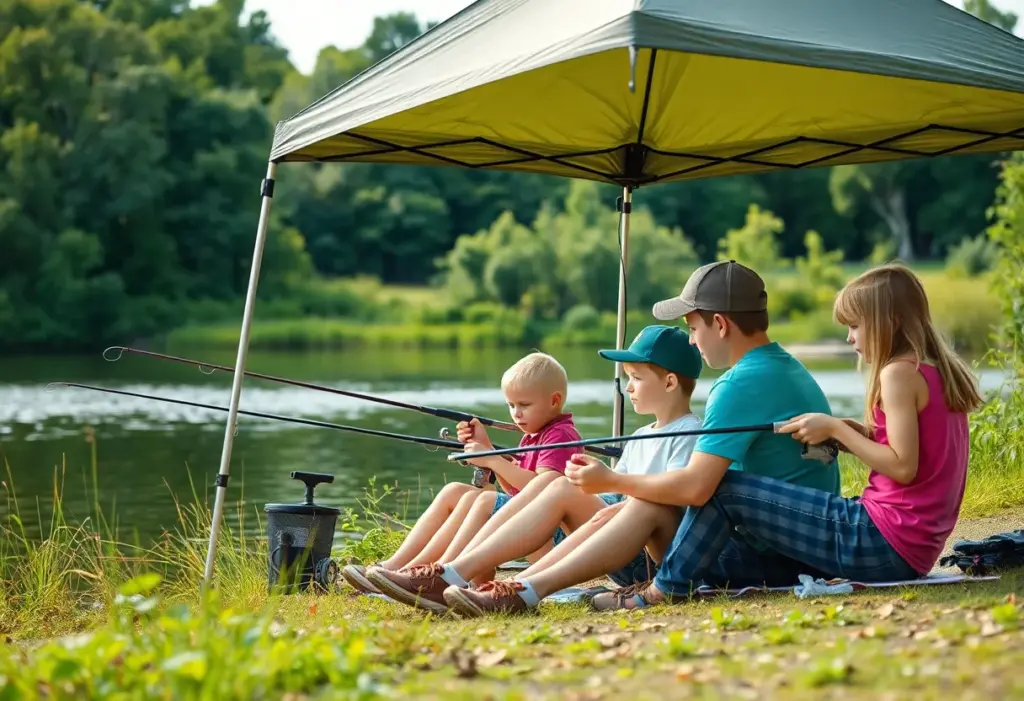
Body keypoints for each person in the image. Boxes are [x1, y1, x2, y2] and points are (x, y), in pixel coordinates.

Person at [441, 259, 843, 617]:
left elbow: (696, 488)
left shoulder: (738, 384)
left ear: (719, 324)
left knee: (636, 502)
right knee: (610, 505)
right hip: (782, 547)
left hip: (760, 557)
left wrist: (612, 482)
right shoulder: (788, 368)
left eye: (693, 327)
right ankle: (505, 583)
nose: (691, 340)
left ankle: (499, 584)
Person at [364, 324, 704, 613]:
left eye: (636, 378)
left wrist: (608, 482)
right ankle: (463, 576)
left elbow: (673, 498)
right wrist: (599, 486)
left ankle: (459, 575)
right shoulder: (642, 434)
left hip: (651, 554)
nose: (627, 387)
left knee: (555, 483)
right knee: (556, 486)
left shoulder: (689, 432)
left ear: (670, 382)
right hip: (615, 544)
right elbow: (616, 495)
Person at [339, 351, 580, 595]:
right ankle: (397, 566)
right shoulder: (532, 436)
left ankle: (434, 574)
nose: (516, 413)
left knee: (484, 499)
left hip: (551, 531)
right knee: (455, 491)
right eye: (510, 405)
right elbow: (518, 492)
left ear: (554, 401)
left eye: (524, 405)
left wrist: (493, 459)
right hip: (526, 521)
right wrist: (486, 451)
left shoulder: (559, 435)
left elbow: (543, 488)